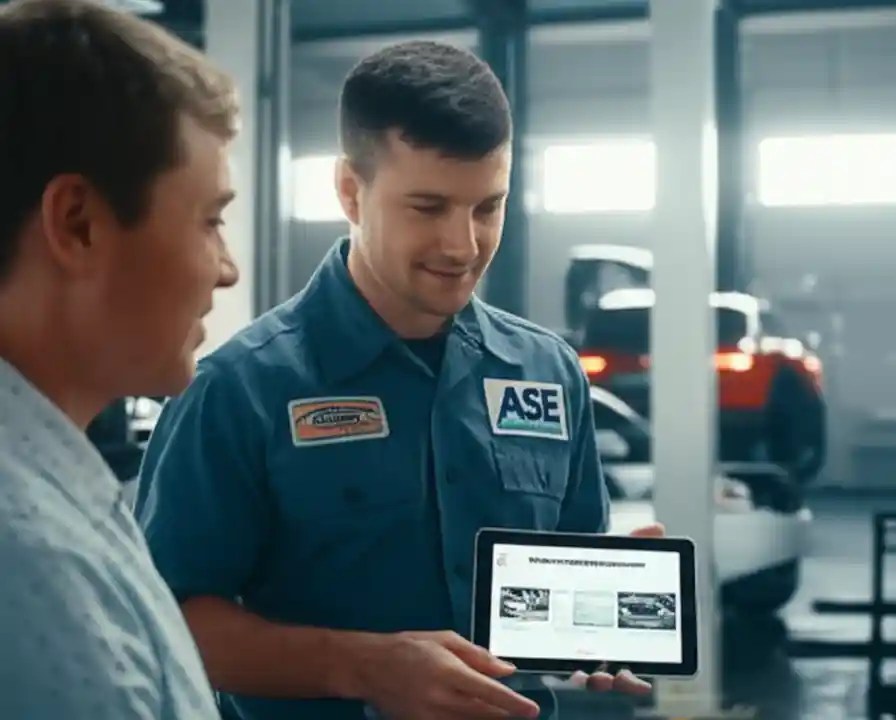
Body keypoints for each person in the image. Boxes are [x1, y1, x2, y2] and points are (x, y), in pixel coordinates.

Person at [135, 40, 655, 720]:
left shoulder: (547, 372)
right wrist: (363, 669)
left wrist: (603, 614)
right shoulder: (240, 390)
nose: (463, 245)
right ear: (351, 191)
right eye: (428, 207)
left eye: (487, 207)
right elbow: (163, 617)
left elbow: (562, 589)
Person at [0, 0, 241, 717]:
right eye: (210, 220)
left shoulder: (59, 494)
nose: (227, 269)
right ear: (78, 224)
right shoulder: (35, 563)